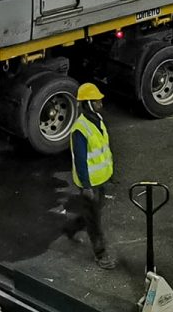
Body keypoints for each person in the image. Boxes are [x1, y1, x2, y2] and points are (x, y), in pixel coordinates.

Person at [69, 82, 117, 270]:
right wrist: (86, 186)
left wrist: (109, 174)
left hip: (102, 180)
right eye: (97, 101)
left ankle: (76, 226)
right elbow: (80, 160)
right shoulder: (80, 130)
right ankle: (101, 254)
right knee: (95, 221)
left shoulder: (97, 120)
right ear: (88, 103)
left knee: (94, 213)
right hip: (90, 184)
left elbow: (103, 150)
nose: (101, 104)